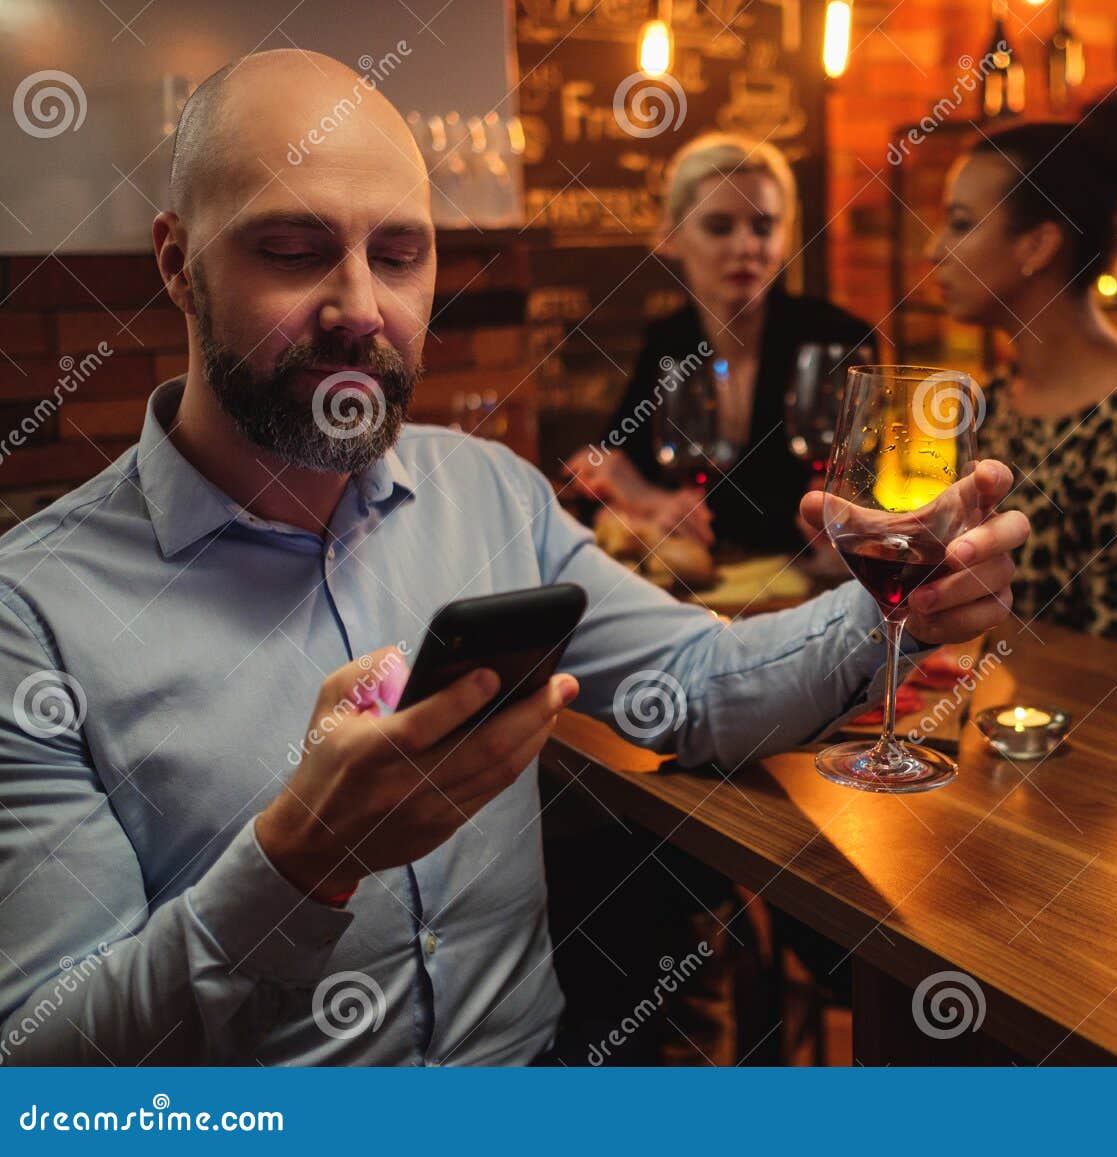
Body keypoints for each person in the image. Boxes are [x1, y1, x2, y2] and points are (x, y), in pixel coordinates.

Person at [0, 50, 1028, 1065]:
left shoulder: (485, 491)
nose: (360, 305)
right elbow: (47, 1073)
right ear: (177, 262)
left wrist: (898, 601)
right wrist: (297, 862)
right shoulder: (35, 616)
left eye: (399, 255)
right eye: (291, 247)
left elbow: (696, 682)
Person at [925, 89, 1117, 654]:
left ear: (1038, 243)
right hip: (984, 719)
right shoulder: (994, 400)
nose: (935, 248)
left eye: (960, 224)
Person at [563, 133, 875, 553]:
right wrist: (647, 500)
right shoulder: (670, 342)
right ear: (673, 236)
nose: (746, 247)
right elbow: (600, 473)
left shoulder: (835, 340)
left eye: (763, 227)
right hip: (712, 600)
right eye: (719, 227)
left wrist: (647, 500)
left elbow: (880, 499)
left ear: (785, 239)